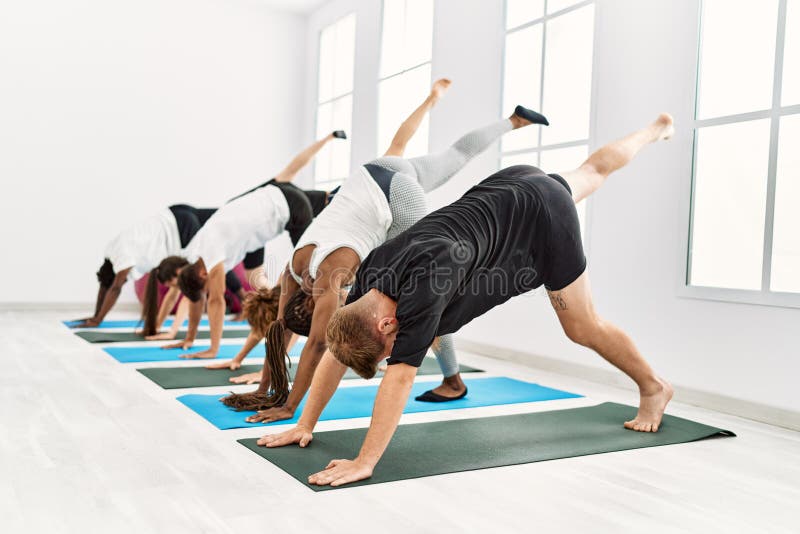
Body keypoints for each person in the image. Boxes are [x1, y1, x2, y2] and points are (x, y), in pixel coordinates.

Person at [258, 113, 676, 488]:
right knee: (591, 171)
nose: (392, 355)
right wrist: (304, 423)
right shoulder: (369, 277)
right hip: (511, 183)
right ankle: (654, 129)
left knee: (582, 327)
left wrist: (364, 461)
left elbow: (400, 378)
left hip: (544, 222)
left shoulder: (418, 298)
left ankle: (653, 386)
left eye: (387, 350)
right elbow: (339, 348)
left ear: (386, 326)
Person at [221, 78, 547, 421]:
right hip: (376, 171)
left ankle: (452, 380)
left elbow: (316, 345)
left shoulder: (333, 275)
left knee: (433, 291)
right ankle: (512, 120)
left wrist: (288, 406)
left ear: (317, 305)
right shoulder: (292, 267)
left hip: (396, 202)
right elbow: (279, 329)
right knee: (452, 155)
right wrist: (264, 387)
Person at [69, 131, 345, 331]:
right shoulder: (266, 195)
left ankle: (315, 312)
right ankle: (264, 311)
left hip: (255, 220)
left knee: (299, 271)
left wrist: (329, 138)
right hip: (256, 224)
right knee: (258, 280)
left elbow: (205, 295)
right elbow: (296, 165)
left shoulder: (265, 206)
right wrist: (329, 139)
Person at [165, 132, 346, 360]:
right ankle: (340, 196)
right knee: (268, 289)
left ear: (202, 273)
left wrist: (213, 349)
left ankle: (284, 355)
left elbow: (215, 301)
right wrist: (190, 338)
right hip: (272, 209)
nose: (211, 287)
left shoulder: (211, 255)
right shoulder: (196, 252)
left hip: (290, 210)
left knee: (299, 280)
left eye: (207, 284)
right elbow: (196, 299)